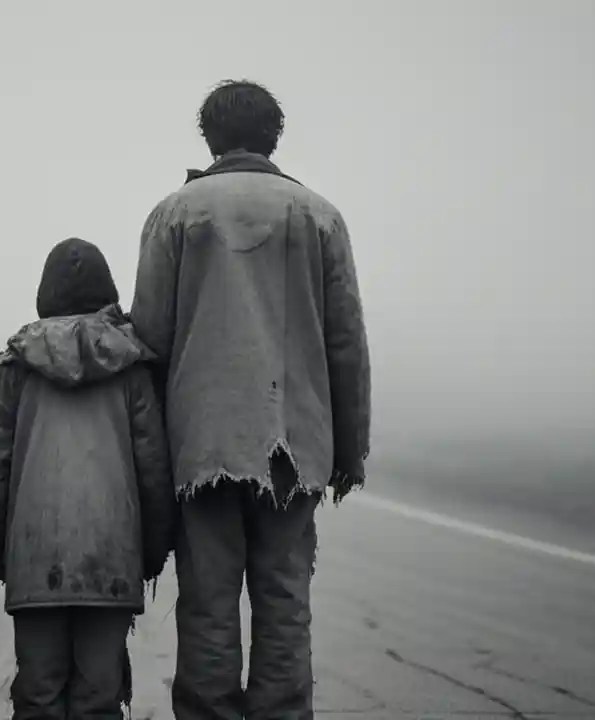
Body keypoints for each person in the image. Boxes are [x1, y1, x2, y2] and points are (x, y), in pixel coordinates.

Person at [131, 80, 372, 719]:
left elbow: (149, 343)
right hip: (294, 447)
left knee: (208, 604)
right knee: (285, 599)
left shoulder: (175, 214)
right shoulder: (319, 215)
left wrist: (151, 458)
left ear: (209, 138)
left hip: (202, 446)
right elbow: (345, 342)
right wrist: (348, 450)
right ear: (275, 136)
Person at [0, 237, 177, 720]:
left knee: (39, 694)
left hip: (34, 555)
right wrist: (149, 554)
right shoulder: (131, 368)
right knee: (98, 698)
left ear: (44, 297)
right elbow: (153, 471)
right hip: (112, 560)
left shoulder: (15, 368)